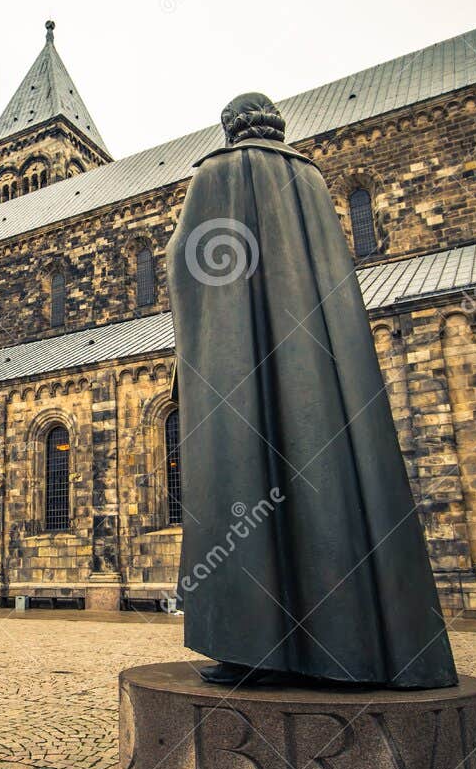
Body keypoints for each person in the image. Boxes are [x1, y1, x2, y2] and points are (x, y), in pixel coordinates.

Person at [167, 93, 456, 689]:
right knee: (333, 479)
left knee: (239, 473)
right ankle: (360, 644)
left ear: (230, 129)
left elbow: (185, 259)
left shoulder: (218, 173)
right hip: (324, 352)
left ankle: (252, 647)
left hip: (234, 354)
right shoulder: (312, 178)